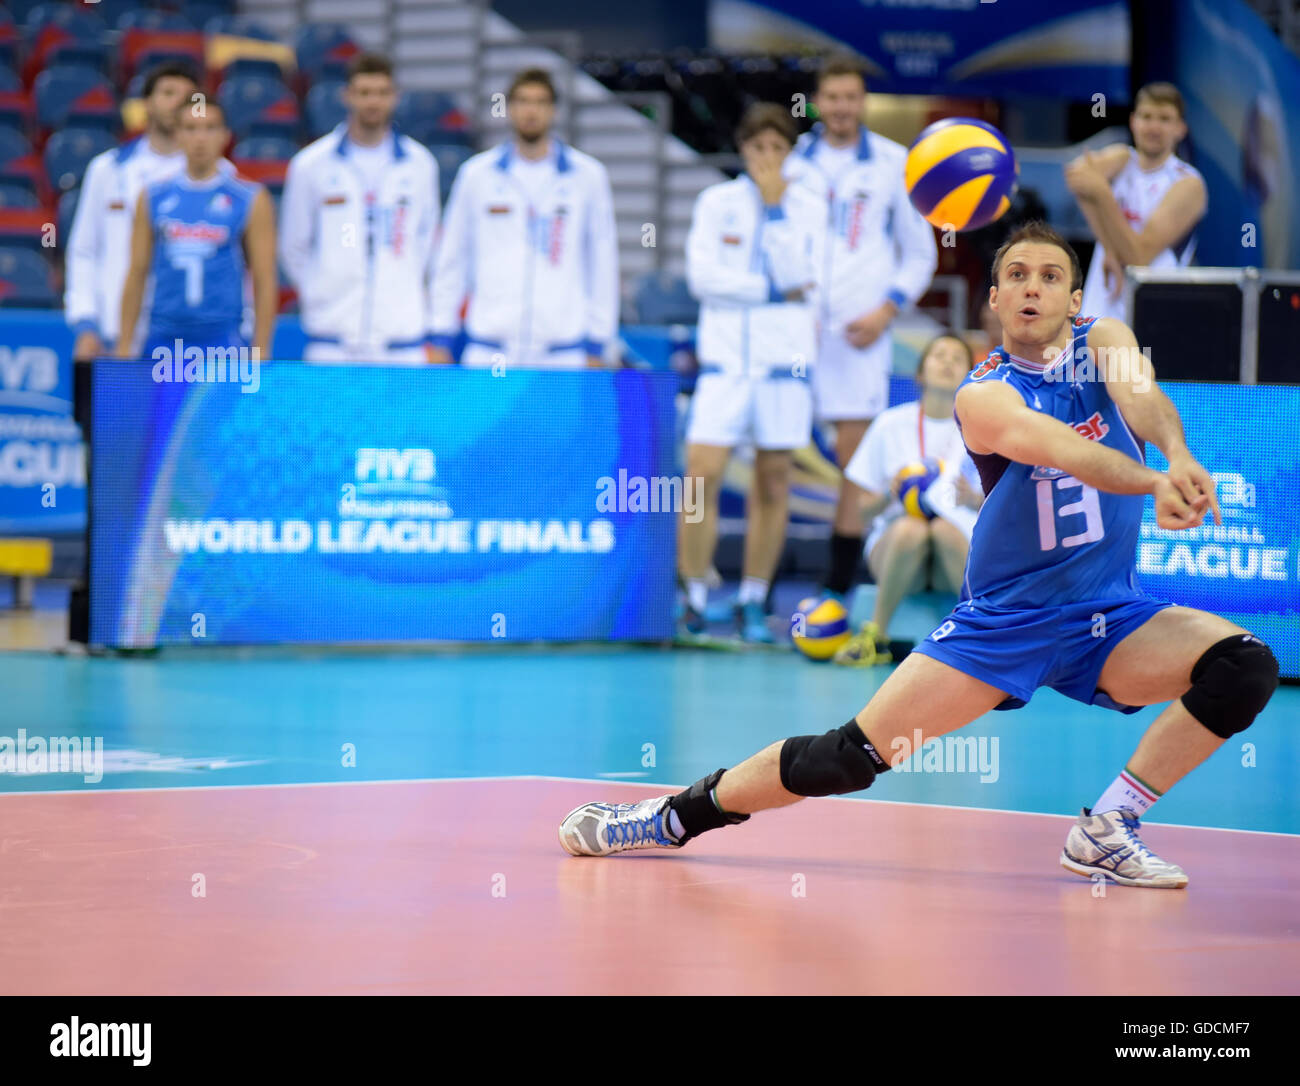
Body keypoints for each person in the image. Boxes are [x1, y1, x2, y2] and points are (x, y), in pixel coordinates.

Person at [558, 221, 1281, 890]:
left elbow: (1141, 394)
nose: (1034, 287)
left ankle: (1108, 826)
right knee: (845, 759)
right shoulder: (984, 395)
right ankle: (671, 815)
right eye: (1018, 276)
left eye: (1051, 276)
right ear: (993, 299)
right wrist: (1155, 480)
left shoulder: (1107, 340)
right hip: (1004, 624)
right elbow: (1061, 449)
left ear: (1074, 295)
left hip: (1111, 616)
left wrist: (1179, 453)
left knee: (1244, 666)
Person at [784, 55, 938, 606]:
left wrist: (885, 312)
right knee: (773, 455)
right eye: (833, 97)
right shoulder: (790, 161)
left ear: (862, 102)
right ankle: (757, 593)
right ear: (818, 102)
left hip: (860, 336)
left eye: (852, 97)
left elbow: (920, 255)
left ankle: (838, 589)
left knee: (855, 461)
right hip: (793, 334)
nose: (843, 107)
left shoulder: (895, 164)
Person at [677, 102, 826, 643]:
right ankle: (693, 596)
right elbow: (702, 278)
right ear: (743, 149)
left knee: (773, 481)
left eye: (777, 148)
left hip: (782, 365)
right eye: (757, 147)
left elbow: (805, 279)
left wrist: (776, 212)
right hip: (722, 364)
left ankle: (751, 598)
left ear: (789, 154)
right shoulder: (715, 202)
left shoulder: (808, 207)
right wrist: (765, 292)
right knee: (700, 475)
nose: (766, 158)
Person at [429, 68, 618, 369]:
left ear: (553, 110)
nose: (531, 111)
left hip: (564, 352)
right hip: (490, 350)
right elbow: (453, 257)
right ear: (510, 108)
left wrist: (600, 341)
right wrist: (441, 332)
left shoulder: (588, 177)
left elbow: (602, 262)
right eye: (523, 101)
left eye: (540, 102)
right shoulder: (477, 175)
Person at [279, 53, 441, 364]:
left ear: (395, 97)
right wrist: (321, 290)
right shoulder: (311, 164)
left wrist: (398, 284)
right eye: (364, 93)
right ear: (347, 96)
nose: (373, 102)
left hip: (401, 341)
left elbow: (426, 242)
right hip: (331, 339)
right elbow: (293, 247)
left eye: (382, 93)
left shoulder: (420, 165)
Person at [833, 333, 984, 666]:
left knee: (943, 530)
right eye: (938, 355)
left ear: (969, 376)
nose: (947, 362)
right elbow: (861, 512)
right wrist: (891, 492)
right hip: (896, 552)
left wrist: (974, 499)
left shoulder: (981, 431)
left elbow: (1002, 510)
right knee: (910, 529)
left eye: (957, 359)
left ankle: (980, 637)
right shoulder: (890, 424)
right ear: (920, 373)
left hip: (955, 546)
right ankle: (875, 636)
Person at [117, 99, 276, 361]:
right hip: (164, 337)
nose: (200, 139)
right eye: (191, 128)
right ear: (178, 134)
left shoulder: (249, 197)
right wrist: (124, 344)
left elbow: (264, 277)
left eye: (210, 128)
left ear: (226, 136)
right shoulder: (153, 196)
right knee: (163, 405)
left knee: (216, 404)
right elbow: (136, 272)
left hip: (223, 338)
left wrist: (262, 348)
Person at [1066, 82, 1207, 323]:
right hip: (1100, 306)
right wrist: (1109, 248)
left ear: (1180, 129)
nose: (1153, 126)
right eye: (1146, 116)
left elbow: (1138, 257)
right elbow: (1076, 176)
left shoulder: (1188, 183)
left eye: (1164, 119)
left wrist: (1102, 193)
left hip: (1150, 316)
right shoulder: (1122, 158)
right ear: (1133, 121)